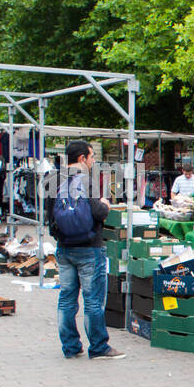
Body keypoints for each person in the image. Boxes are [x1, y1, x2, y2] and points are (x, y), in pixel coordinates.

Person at [51, 141, 123, 360]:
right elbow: (98, 212)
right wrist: (106, 204)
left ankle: (70, 347)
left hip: (64, 248)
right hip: (89, 249)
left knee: (66, 299)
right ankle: (99, 347)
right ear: (82, 158)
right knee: (93, 300)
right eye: (92, 157)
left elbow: (49, 217)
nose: (93, 162)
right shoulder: (87, 181)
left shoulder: (54, 180)